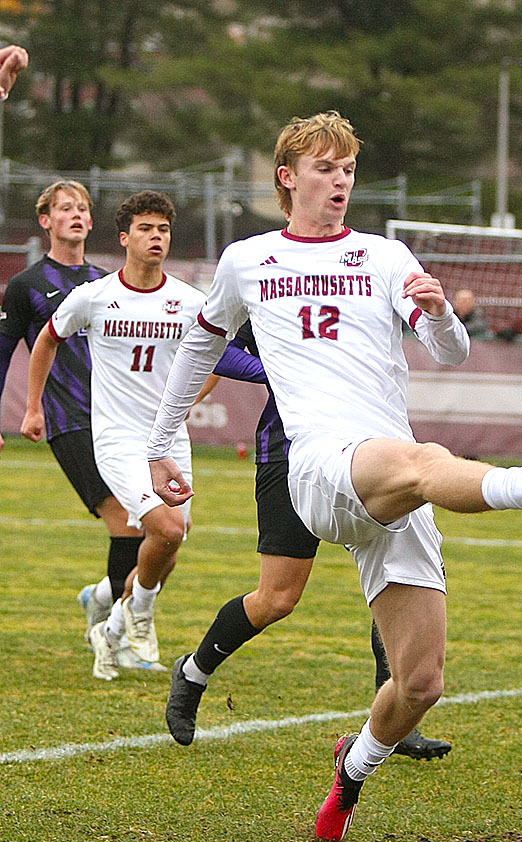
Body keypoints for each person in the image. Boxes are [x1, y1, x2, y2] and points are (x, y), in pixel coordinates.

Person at [144, 111, 522, 842]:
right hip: (317, 462)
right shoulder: (248, 259)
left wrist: (442, 315)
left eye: (348, 168)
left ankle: (352, 773)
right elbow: (201, 344)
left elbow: (452, 351)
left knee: (421, 682)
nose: (340, 180)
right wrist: (162, 441)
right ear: (287, 177)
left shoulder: (383, 256)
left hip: (387, 473)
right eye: (325, 168)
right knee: (416, 465)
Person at [166, 318, 452, 760]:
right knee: (277, 598)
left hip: (374, 452)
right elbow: (216, 350)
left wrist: (435, 311)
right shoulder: (273, 284)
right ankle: (194, 671)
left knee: (402, 579)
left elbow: (446, 341)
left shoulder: (370, 275)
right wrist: (282, 369)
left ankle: (396, 718)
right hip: (292, 456)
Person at [22, 190, 205, 681]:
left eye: (163, 229)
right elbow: (46, 340)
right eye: (145, 229)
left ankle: (110, 618)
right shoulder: (95, 296)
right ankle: (138, 615)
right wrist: (34, 403)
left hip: (169, 441)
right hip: (118, 440)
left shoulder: (189, 303)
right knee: (163, 528)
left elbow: (215, 357)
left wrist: (186, 403)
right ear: (125, 238)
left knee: (170, 543)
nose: (156, 237)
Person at [0, 181, 148, 658]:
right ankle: (116, 633)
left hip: (120, 418)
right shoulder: (26, 286)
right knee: (128, 523)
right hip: (68, 420)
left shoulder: (106, 282)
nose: (78, 215)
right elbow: (5, 354)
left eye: (83, 207)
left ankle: (103, 598)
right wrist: (29, 408)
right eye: (66, 208)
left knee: (157, 529)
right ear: (46, 221)